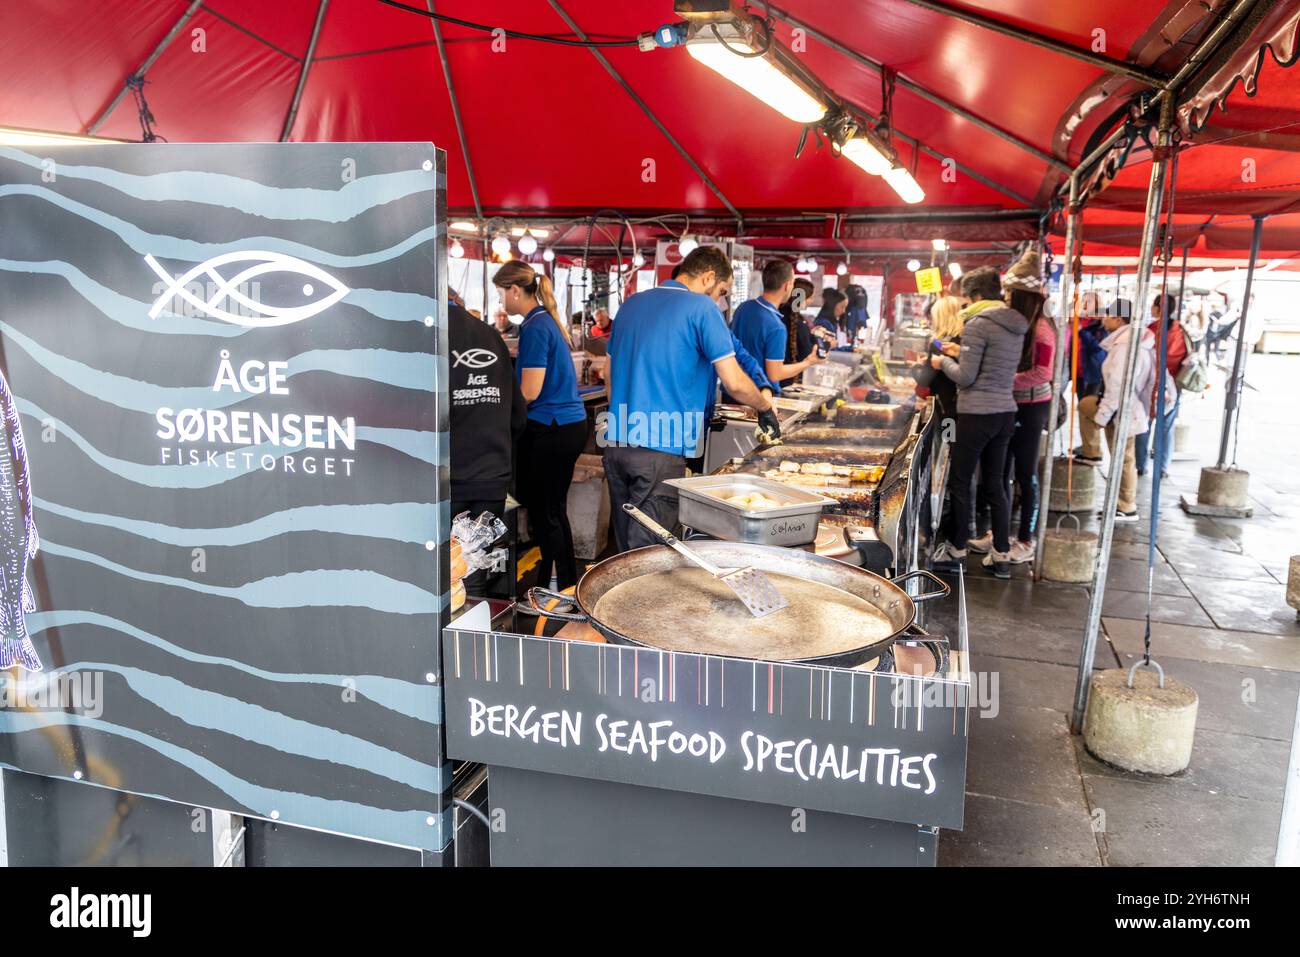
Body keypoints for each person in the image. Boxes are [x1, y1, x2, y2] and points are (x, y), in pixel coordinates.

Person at [603, 245, 780, 552]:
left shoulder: (631, 304)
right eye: (722, 291)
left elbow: (608, 375)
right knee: (650, 558)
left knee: (623, 551)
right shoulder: (701, 308)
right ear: (709, 277)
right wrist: (765, 406)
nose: (721, 301)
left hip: (615, 445)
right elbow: (734, 382)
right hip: (661, 450)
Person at [928, 258, 1031, 579]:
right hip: (1004, 411)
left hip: (976, 413)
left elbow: (967, 377)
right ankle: (1001, 554)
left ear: (973, 296)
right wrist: (959, 353)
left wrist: (941, 362)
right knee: (997, 484)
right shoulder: (1015, 323)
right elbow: (993, 366)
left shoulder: (976, 323)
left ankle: (957, 549)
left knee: (961, 482)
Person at [493, 261, 589, 592]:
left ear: (515, 290)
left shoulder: (535, 328)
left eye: (501, 292)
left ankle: (562, 589)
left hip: (551, 428)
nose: (501, 300)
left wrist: (498, 409)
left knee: (547, 514)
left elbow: (530, 391)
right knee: (552, 511)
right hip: (566, 426)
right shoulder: (545, 322)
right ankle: (556, 583)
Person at [969, 262, 1054, 566]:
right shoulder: (1017, 323)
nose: (1005, 298)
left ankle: (1027, 539)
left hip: (1032, 407)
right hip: (1008, 403)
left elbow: (1044, 371)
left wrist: (1006, 378)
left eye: (1010, 293)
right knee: (1000, 473)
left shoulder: (1042, 328)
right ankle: (999, 532)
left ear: (1023, 296)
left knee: (1025, 474)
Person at [448, 299, 526, 594]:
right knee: (478, 572)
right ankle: (478, 634)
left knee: (446, 577)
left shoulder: (426, 335)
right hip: (491, 478)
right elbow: (518, 415)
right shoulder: (491, 336)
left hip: (446, 483)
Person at [1087, 301, 1157, 523]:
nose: (1103, 320)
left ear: (1119, 319)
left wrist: (1102, 416)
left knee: (1124, 458)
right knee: (1124, 457)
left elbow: (1117, 386)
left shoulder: (1125, 346)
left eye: (1107, 316)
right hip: (1128, 409)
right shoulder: (1133, 342)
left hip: (1124, 410)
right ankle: (1122, 503)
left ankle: (1126, 506)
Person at [726, 259, 823, 402]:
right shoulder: (776, 326)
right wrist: (808, 362)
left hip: (731, 392)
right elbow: (774, 374)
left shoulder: (743, 307)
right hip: (759, 398)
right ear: (787, 285)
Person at [1134, 292, 1185, 479]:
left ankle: (1140, 465)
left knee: (1143, 424)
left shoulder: (1151, 330)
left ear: (1157, 308)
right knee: (1166, 427)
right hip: (1172, 387)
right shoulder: (1181, 330)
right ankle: (1162, 467)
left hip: (1149, 384)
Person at [779, 277, 817, 388]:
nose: (812, 301)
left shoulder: (778, 316)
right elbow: (807, 353)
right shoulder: (799, 325)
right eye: (810, 297)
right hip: (787, 380)